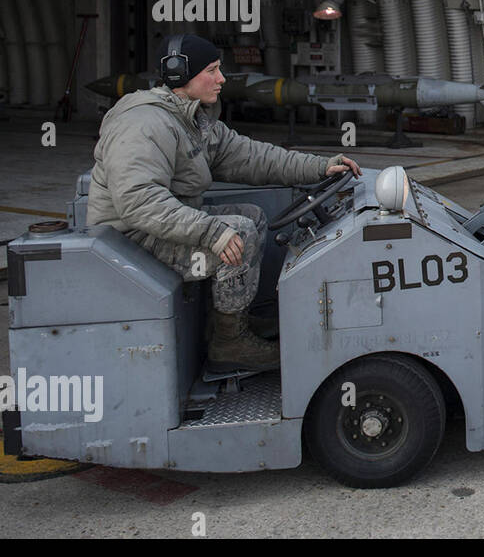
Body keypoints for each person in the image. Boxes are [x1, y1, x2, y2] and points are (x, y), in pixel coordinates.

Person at [87, 33, 361, 373]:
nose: (221, 79)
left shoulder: (191, 120)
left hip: (156, 230)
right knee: (238, 232)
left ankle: (233, 323)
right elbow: (139, 201)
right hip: (129, 242)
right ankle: (229, 345)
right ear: (179, 74)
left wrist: (318, 167)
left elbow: (251, 157)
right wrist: (209, 231)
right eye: (212, 70)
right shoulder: (144, 124)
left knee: (252, 217)